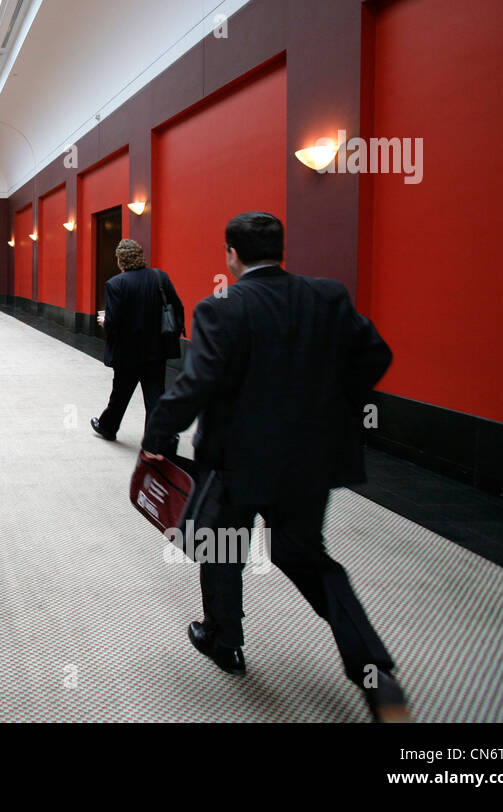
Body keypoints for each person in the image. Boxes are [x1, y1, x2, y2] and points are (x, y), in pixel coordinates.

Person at [140, 212, 409, 722]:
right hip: (311, 458)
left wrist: (158, 437)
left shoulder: (222, 308)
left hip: (237, 458)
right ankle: (376, 672)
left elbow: (196, 385)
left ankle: (224, 641)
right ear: (280, 250)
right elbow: (375, 354)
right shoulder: (327, 296)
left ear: (232, 255)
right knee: (306, 556)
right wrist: (335, 402)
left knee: (221, 545)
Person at [91, 239, 183, 442]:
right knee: (155, 395)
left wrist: (105, 321)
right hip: (156, 350)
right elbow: (177, 308)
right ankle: (156, 438)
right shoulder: (160, 278)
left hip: (127, 352)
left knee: (120, 394)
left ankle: (108, 427)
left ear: (120, 260)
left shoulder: (116, 284)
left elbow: (114, 323)